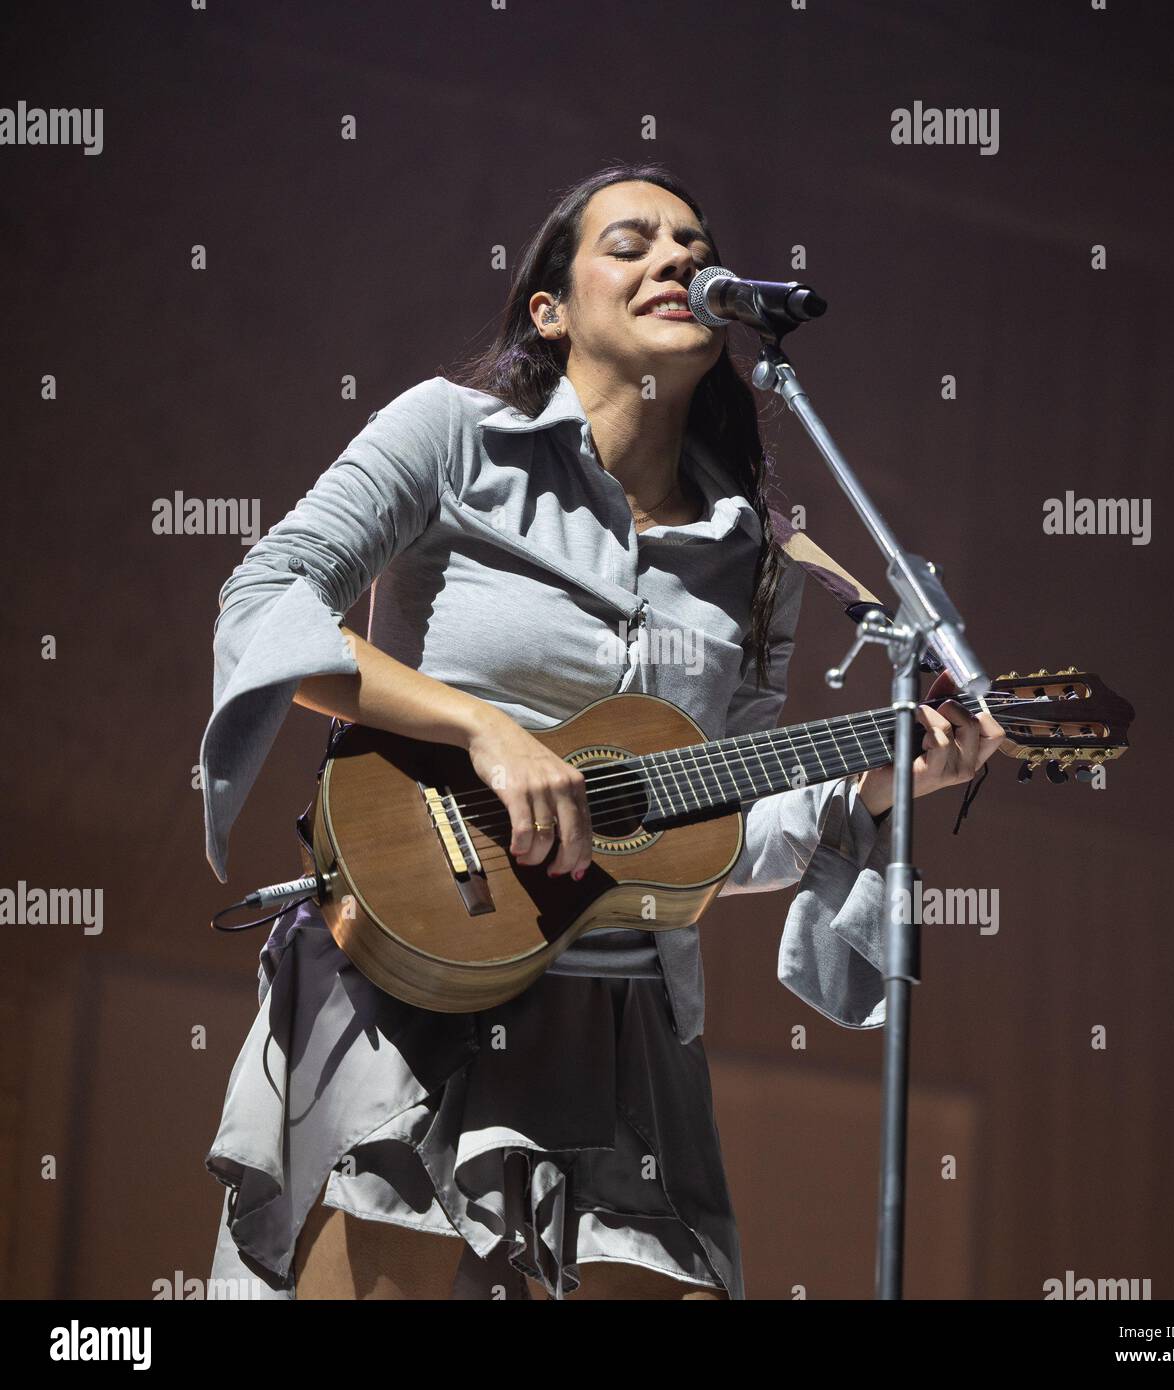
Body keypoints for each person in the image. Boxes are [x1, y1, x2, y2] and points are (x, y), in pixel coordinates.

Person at [199, 162, 1004, 1301]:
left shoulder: (760, 563)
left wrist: (877, 788)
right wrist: (481, 727)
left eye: (690, 243)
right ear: (550, 308)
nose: (674, 258)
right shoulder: (449, 436)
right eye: (630, 244)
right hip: (414, 959)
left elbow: (708, 835)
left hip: (619, 1012)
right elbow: (263, 603)